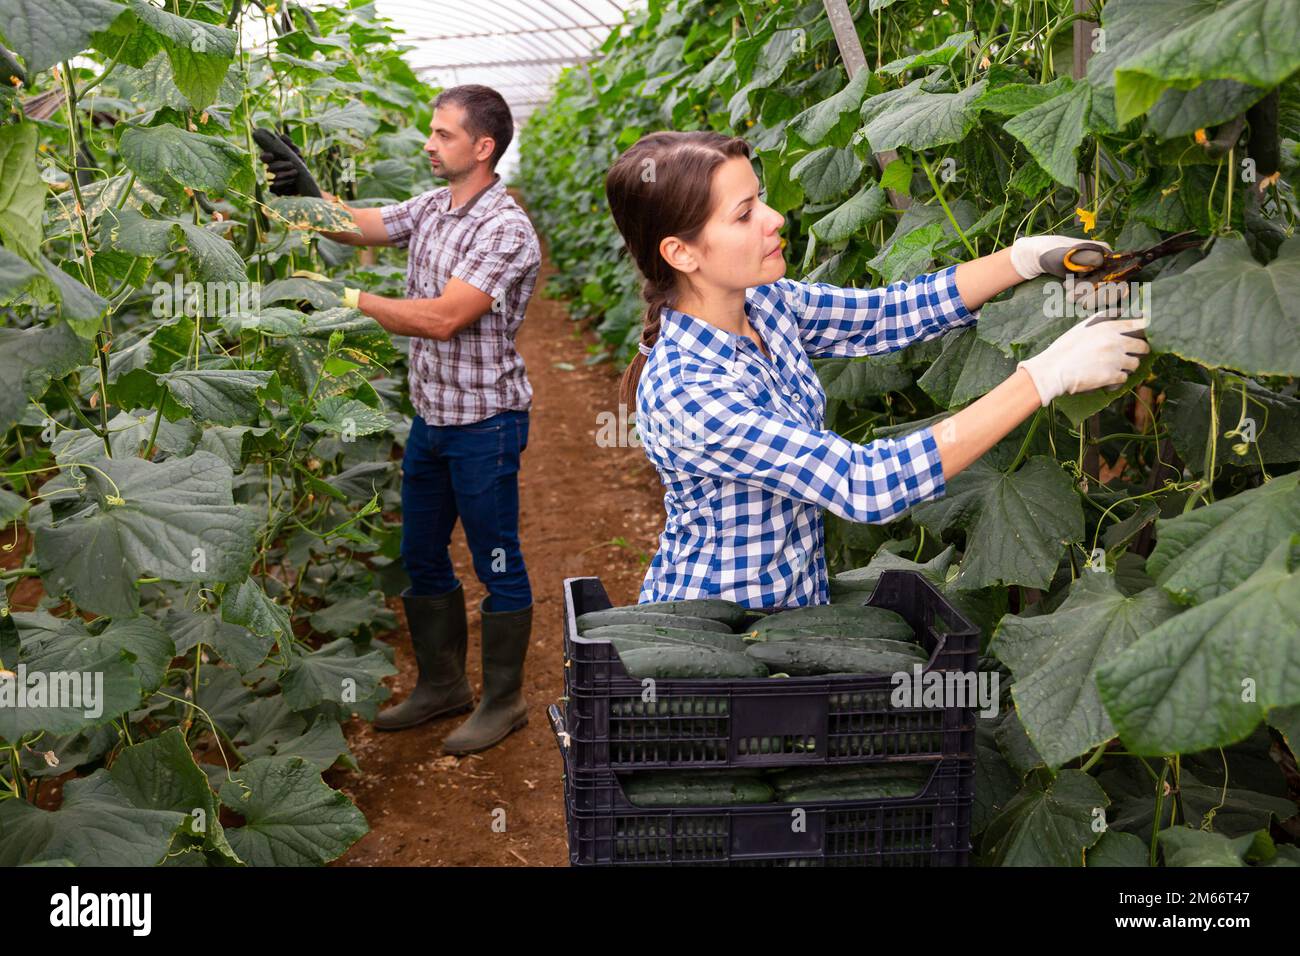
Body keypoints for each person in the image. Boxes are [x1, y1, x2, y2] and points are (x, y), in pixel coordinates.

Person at [604, 130, 1147, 608]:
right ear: (681, 253)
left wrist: (1021, 260)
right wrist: (1043, 377)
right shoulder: (688, 390)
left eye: (761, 201)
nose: (773, 221)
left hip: (794, 612)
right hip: (718, 637)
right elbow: (865, 484)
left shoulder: (765, 304)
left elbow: (887, 315)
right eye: (744, 214)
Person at [255, 85, 540, 754]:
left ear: (482, 147)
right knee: (420, 553)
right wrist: (305, 193)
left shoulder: (504, 226)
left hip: (486, 423)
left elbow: (444, 317)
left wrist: (347, 296)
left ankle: (506, 700)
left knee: (497, 558)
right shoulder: (436, 206)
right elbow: (364, 225)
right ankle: (444, 686)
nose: (428, 143)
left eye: (442, 135)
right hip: (432, 419)